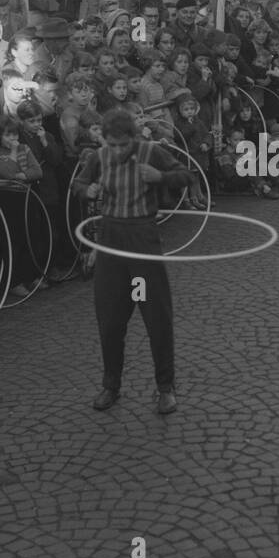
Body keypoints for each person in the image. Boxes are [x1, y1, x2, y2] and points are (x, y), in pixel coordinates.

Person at [72, 108, 191, 415]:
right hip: (110, 241)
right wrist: (88, 190)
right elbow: (78, 185)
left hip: (143, 240)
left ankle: (166, 388)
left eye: (123, 145)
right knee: (110, 320)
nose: (117, 150)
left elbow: (185, 176)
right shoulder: (98, 156)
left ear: (133, 139)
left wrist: (160, 177)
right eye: (111, 144)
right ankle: (111, 385)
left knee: (157, 317)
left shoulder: (152, 151)